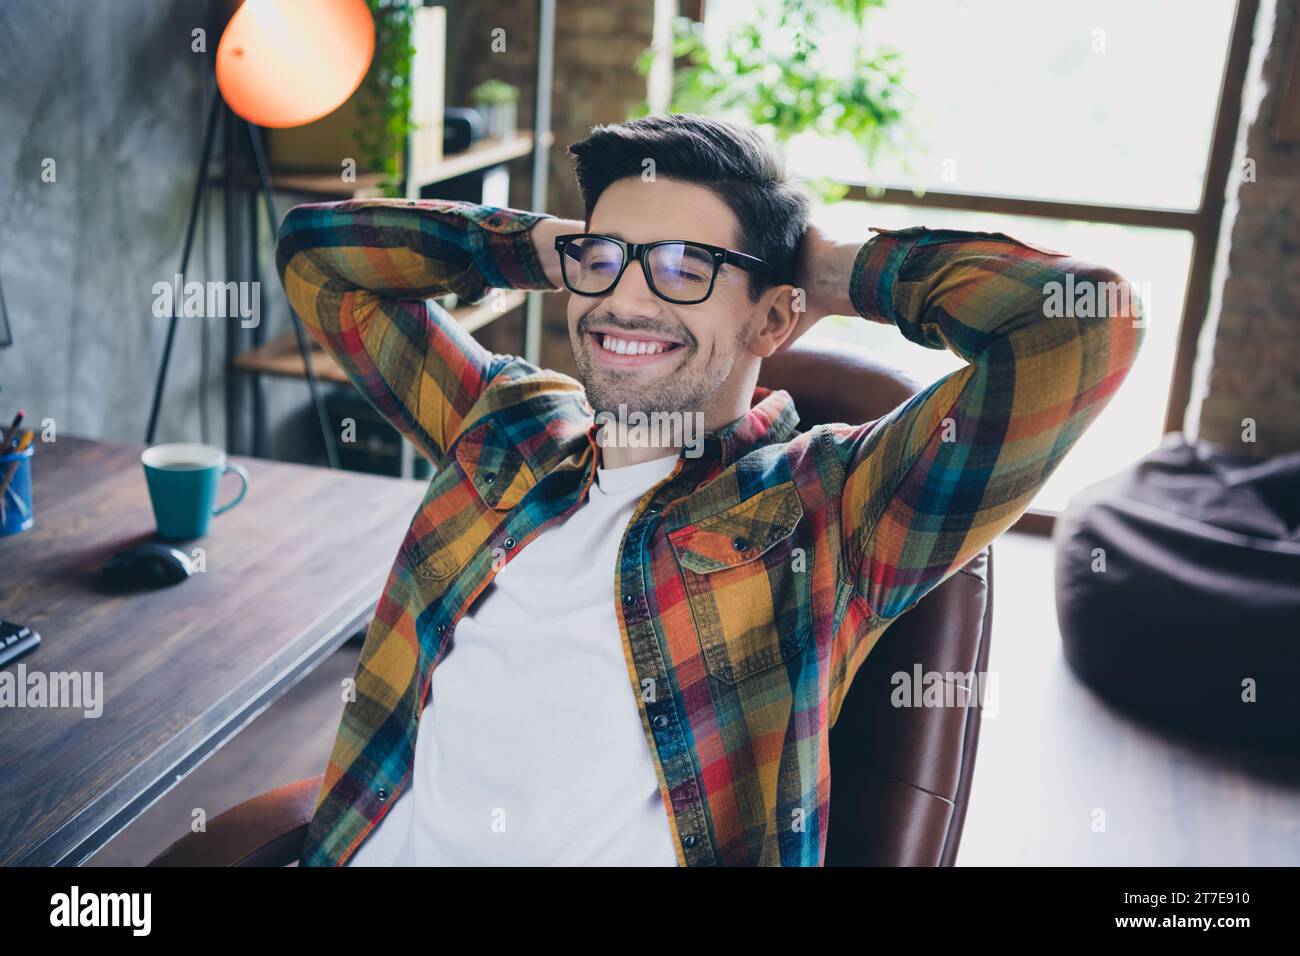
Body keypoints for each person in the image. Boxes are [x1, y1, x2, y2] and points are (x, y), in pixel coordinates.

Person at [274, 112, 1143, 866]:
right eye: (605, 259)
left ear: (773, 317)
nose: (625, 300)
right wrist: (539, 247)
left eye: (686, 269)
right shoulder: (507, 423)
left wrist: (833, 272)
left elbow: (1083, 323)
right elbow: (318, 259)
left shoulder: (830, 509)